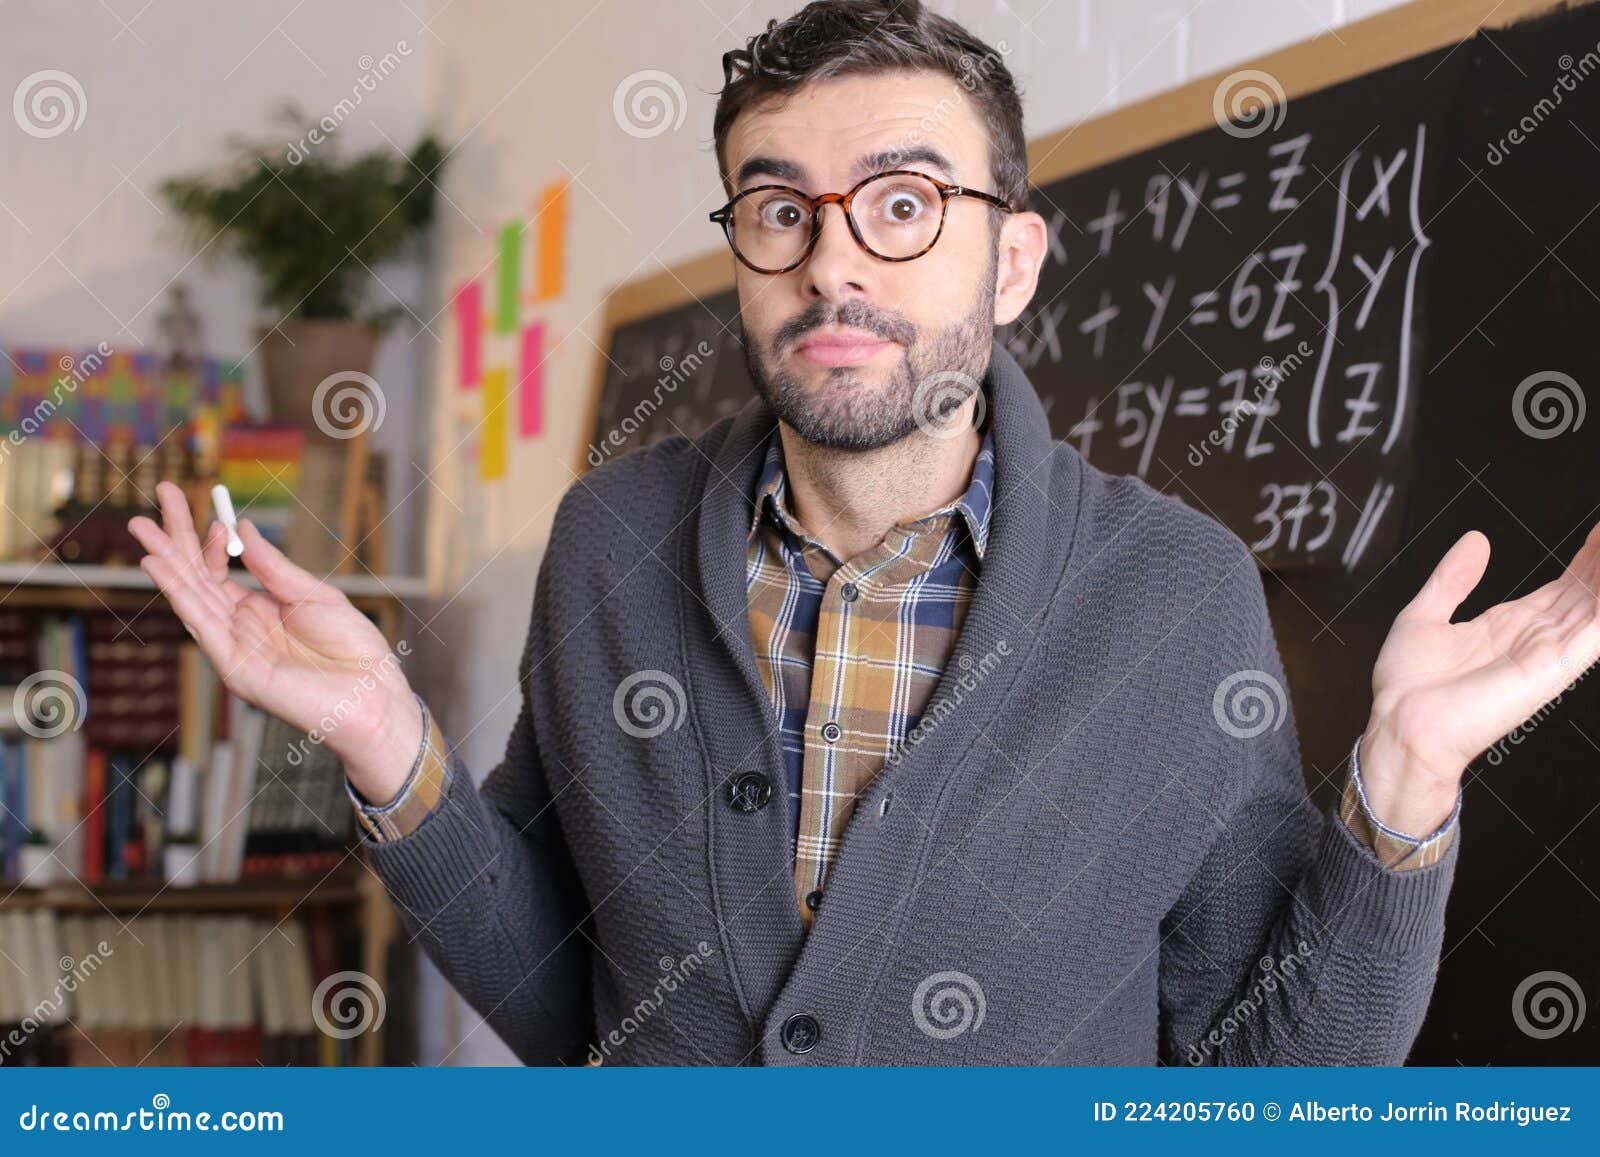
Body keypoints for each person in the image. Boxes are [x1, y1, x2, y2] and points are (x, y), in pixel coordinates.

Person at [129, 0, 1600, 1066]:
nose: (834, 260)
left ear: (1010, 260)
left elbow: (1271, 1088)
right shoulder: (609, 543)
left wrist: (1406, 779)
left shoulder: (1176, 594)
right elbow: (571, 999)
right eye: (781, 209)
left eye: (903, 203)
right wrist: (386, 735)